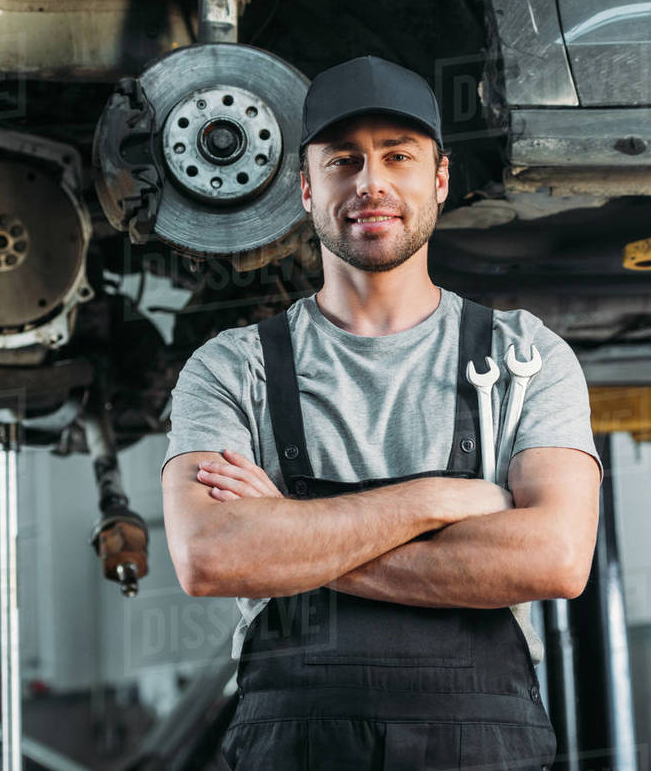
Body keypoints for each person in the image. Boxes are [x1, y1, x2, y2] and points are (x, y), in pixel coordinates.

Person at [160, 55, 602, 770]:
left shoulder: (526, 354)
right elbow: (212, 555)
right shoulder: (230, 368)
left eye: (398, 156)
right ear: (306, 188)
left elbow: (554, 557)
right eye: (343, 160)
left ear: (440, 179)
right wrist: (437, 500)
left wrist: (292, 538)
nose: (371, 182)